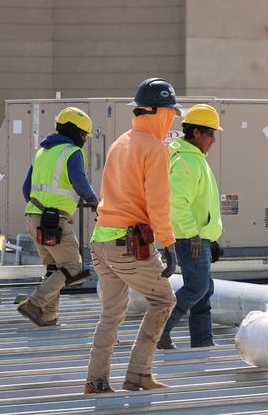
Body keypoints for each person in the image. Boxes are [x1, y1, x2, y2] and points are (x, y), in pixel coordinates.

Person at [84, 78, 181, 394]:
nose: (172, 120)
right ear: (159, 112)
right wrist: (168, 242)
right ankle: (139, 373)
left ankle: (96, 381)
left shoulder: (120, 142)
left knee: (111, 313)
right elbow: (158, 202)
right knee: (163, 300)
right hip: (128, 245)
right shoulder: (155, 149)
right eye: (170, 113)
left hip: (101, 240)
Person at [18, 107, 98, 327]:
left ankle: (48, 315)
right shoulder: (72, 152)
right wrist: (94, 202)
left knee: (54, 268)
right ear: (74, 132)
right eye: (83, 135)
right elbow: (80, 183)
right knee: (73, 266)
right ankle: (34, 303)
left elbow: (26, 188)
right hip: (53, 220)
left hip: (33, 217)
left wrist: (41, 207)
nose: (84, 140)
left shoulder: (41, 152)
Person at [157, 104, 224, 350]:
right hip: (190, 238)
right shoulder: (187, 161)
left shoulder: (193, 158)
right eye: (210, 134)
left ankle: (203, 342)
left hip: (197, 237)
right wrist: (195, 236)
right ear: (196, 133)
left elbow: (197, 205)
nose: (213, 140)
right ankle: (159, 331)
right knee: (197, 287)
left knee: (204, 291)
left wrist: (209, 237)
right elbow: (177, 203)